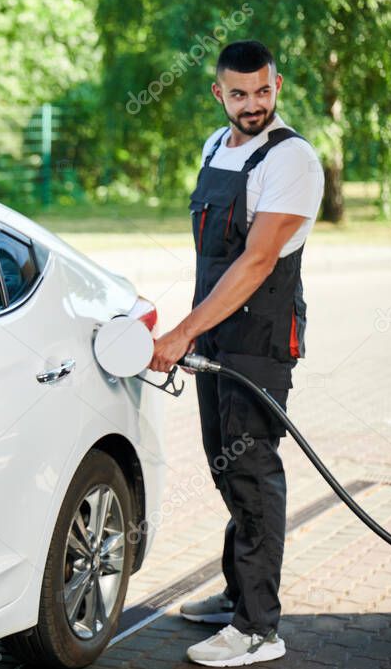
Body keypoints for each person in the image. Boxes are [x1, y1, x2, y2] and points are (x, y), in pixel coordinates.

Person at [148, 40, 323, 667]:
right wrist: (193, 328)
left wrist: (181, 333)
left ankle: (257, 629)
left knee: (252, 473)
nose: (254, 105)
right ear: (218, 93)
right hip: (215, 331)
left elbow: (254, 262)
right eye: (240, 93)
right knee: (225, 466)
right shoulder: (214, 148)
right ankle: (235, 596)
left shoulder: (293, 159)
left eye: (264, 91)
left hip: (260, 339)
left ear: (278, 84)